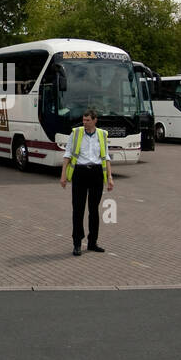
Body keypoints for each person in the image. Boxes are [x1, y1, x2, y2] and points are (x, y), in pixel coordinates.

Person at [59, 108, 113, 255]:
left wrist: (109, 177)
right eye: (83, 120)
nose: (85, 123)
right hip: (80, 173)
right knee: (78, 209)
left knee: (94, 210)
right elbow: (68, 154)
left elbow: (106, 157)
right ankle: (77, 243)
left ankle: (92, 242)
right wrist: (63, 174)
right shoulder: (76, 133)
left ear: (95, 120)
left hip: (96, 173)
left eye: (88, 120)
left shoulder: (102, 135)